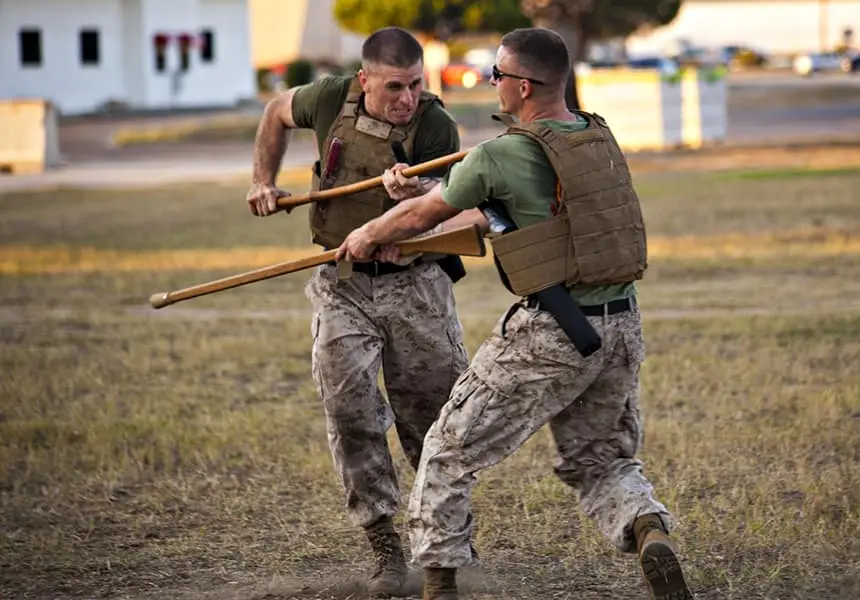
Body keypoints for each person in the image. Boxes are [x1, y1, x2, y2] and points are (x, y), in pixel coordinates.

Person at [335, 27, 695, 600]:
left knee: (448, 447)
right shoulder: (592, 137)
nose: (492, 83)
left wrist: (366, 234)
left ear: (523, 86)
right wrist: (427, 196)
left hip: (553, 331)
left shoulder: (499, 154)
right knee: (598, 456)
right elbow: (495, 213)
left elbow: (423, 217)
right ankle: (648, 529)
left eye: (498, 75)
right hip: (619, 326)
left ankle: (439, 582)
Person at [245, 26, 471, 597]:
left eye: (416, 84)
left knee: (434, 421)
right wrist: (263, 183)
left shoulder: (435, 124)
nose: (408, 98)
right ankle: (384, 546)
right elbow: (274, 113)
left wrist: (413, 205)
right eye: (395, 86)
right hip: (342, 281)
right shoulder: (327, 98)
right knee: (350, 411)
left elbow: (454, 204)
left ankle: (441, 548)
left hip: (415, 284)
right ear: (364, 79)